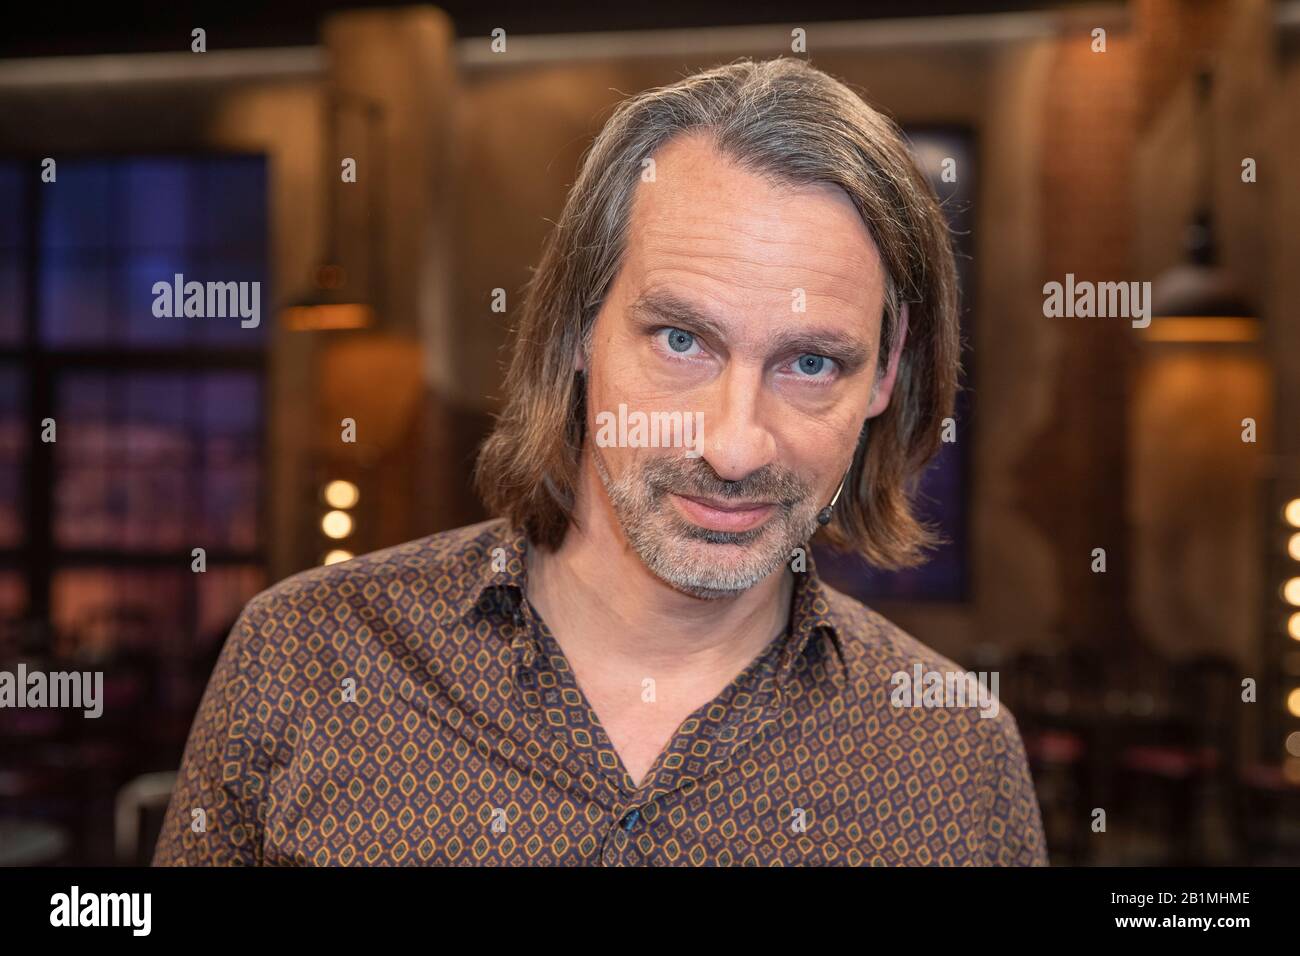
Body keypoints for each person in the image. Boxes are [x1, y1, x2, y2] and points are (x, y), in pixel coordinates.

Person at [154, 57, 1047, 866]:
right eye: (682, 340)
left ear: (884, 377)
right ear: (580, 327)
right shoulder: (304, 660)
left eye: (811, 362)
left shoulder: (958, 761)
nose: (734, 446)